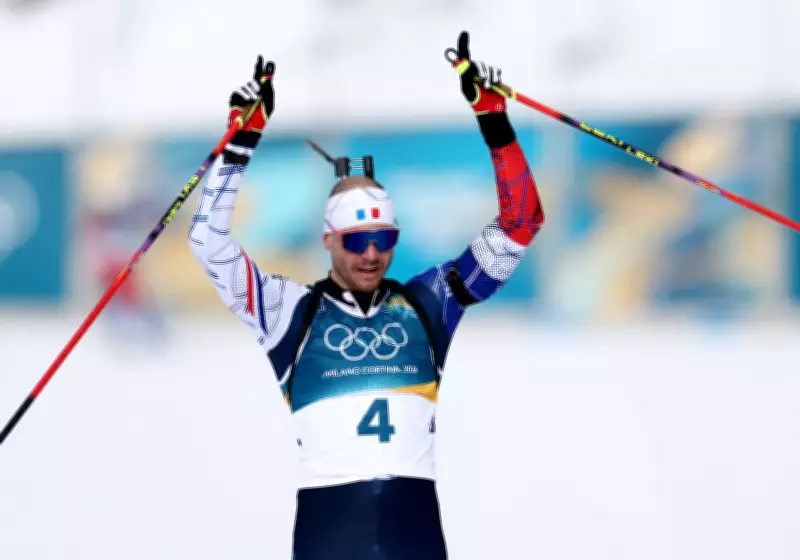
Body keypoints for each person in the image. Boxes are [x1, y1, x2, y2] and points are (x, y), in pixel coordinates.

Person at [190, 31, 544, 560]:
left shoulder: (430, 303)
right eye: (357, 241)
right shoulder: (288, 313)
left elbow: (521, 222)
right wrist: (239, 143)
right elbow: (208, 242)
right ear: (328, 239)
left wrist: (493, 119)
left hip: (414, 537)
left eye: (384, 238)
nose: (372, 254)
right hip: (330, 539)